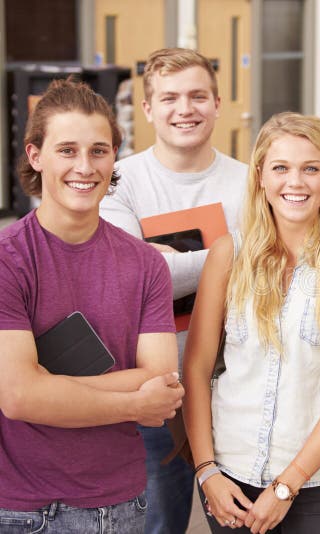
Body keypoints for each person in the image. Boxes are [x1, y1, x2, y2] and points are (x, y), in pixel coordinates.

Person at [182, 112, 320, 534]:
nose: (296, 182)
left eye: (311, 168)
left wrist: (287, 485)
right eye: (281, 168)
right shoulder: (227, 256)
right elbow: (197, 369)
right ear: (260, 177)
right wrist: (205, 471)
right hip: (229, 480)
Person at [0, 79, 183, 532]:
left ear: (114, 157)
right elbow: (20, 397)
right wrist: (133, 402)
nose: (84, 166)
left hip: (124, 504)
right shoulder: (9, 259)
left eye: (99, 150)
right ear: (35, 155)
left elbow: (161, 385)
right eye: (67, 150)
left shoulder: (145, 263)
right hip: (26, 509)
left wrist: (53, 389)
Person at [99, 47, 248, 533]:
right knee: (157, 526)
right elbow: (134, 281)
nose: (185, 109)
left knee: (243, 523)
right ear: (147, 109)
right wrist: (238, 250)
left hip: (234, 389)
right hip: (151, 391)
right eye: (169, 98)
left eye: (197, 96)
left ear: (218, 102)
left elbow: (274, 272)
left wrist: (165, 261)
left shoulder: (250, 183)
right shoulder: (119, 183)